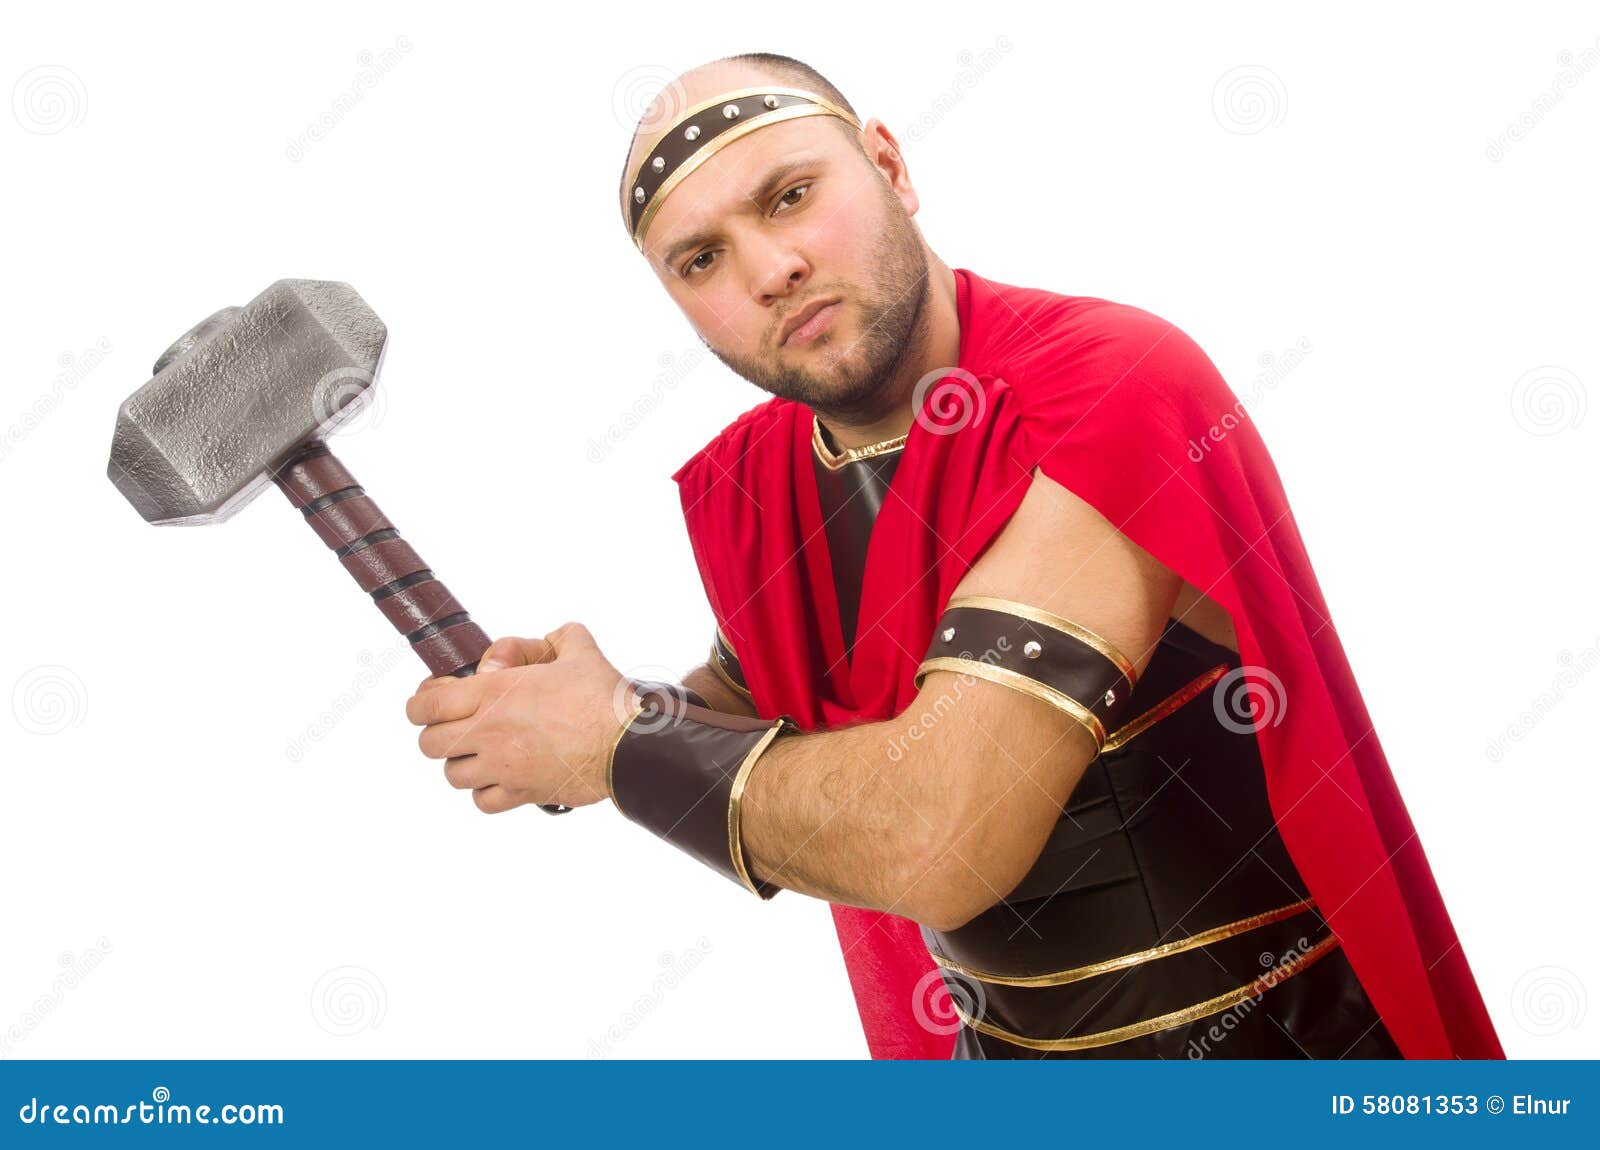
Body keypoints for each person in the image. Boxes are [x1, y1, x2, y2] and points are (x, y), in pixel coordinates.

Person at [405, 52, 1503, 1060]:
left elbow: (944, 837)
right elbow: (746, 711)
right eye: (701, 259)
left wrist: (616, 747)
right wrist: (557, 721)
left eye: (789, 197)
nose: (772, 268)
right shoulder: (765, 478)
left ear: (888, 163)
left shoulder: (1106, 390)